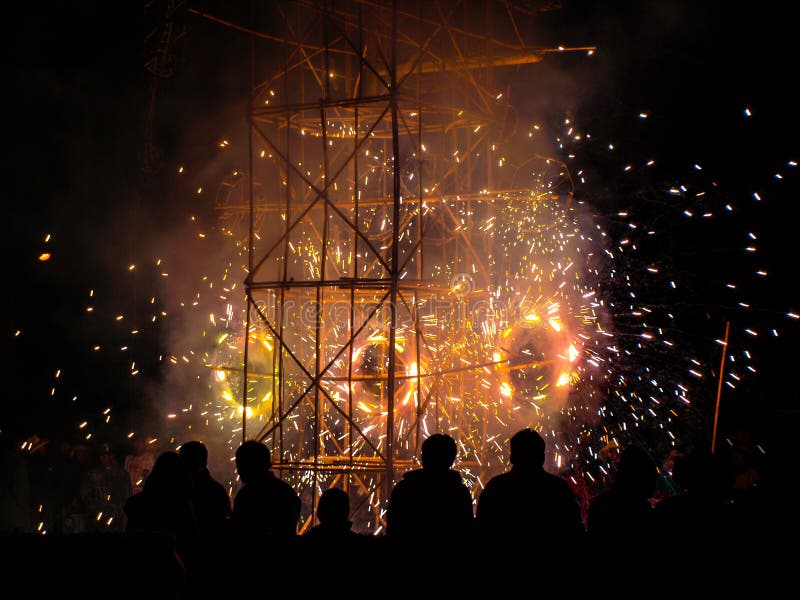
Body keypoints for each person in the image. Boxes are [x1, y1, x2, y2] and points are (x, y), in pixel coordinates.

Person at [476, 428, 584, 592]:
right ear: (542, 456)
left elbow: (482, 533)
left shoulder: (496, 487)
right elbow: (574, 534)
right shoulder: (558, 490)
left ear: (512, 456)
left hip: (503, 578)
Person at [386, 433, 474, 548]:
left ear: (423, 457)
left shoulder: (404, 489)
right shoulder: (459, 492)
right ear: (452, 459)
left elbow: (393, 531)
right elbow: (466, 534)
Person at [231, 440, 300, 541]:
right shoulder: (286, 492)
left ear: (251, 465)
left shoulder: (246, 496)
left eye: (240, 464)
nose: (238, 470)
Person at [80, 443, 132, 532]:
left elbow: (127, 495)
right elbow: (86, 494)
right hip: (98, 519)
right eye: (101, 456)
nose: (102, 458)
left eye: (105, 455)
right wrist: (95, 509)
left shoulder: (122, 475)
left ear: (112, 456)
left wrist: (118, 511)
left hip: (115, 519)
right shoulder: (93, 474)